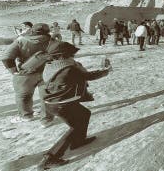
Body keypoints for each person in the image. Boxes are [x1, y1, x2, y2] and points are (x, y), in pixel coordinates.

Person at [38, 41, 110, 169]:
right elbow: (87, 76)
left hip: (54, 102)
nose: (73, 56)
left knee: (85, 114)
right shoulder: (68, 69)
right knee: (76, 126)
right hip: (61, 104)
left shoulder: (51, 64)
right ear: (62, 55)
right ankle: (50, 158)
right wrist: (105, 72)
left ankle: (78, 141)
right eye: (71, 54)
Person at [2, 23, 56, 125]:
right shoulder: (53, 41)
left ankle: (26, 116)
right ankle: (46, 120)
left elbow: (6, 58)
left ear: (32, 31)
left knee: (23, 96)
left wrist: (14, 72)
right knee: (47, 96)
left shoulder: (21, 40)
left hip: (25, 73)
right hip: (48, 73)